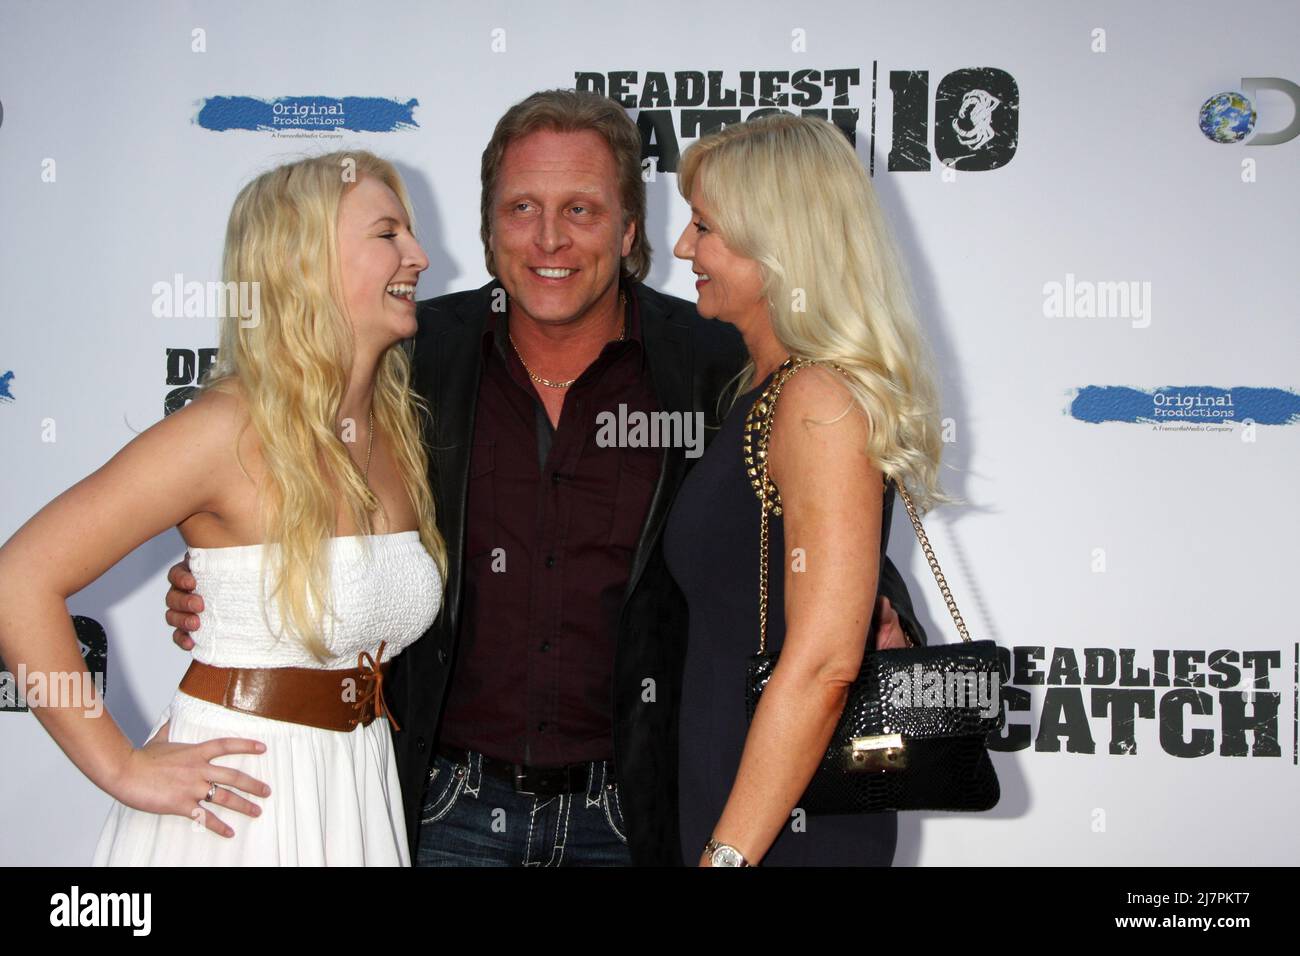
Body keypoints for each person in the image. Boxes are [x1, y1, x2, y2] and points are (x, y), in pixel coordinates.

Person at [163, 91, 929, 867]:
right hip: (437, 808)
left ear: (631, 230)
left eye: (583, 211)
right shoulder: (409, 361)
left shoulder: (717, 361)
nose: (549, 238)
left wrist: (885, 619)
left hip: (644, 815)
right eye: (522, 207)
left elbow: (794, 543)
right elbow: (302, 495)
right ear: (489, 229)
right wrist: (235, 579)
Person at [0, 150, 447, 865]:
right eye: (387, 233)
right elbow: (17, 579)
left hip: (356, 789)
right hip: (240, 804)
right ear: (305, 261)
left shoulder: (392, 431)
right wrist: (120, 768)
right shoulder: (223, 431)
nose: (420, 256)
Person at [664, 113, 954, 866]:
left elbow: (825, 664)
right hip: (747, 804)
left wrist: (727, 857)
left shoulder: (816, 397)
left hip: (783, 833)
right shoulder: (770, 390)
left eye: (704, 226)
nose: (682, 247)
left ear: (779, 241)